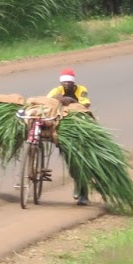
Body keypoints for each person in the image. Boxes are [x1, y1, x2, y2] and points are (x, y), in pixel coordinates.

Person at [47, 69, 95, 204]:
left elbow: (85, 103)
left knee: (82, 162)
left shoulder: (81, 89)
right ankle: (78, 186)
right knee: (72, 164)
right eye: (64, 82)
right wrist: (56, 100)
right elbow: (47, 100)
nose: (66, 85)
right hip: (63, 126)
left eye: (69, 82)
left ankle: (83, 193)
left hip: (80, 125)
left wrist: (72, 100)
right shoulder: (57, 90)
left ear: (73, 83)